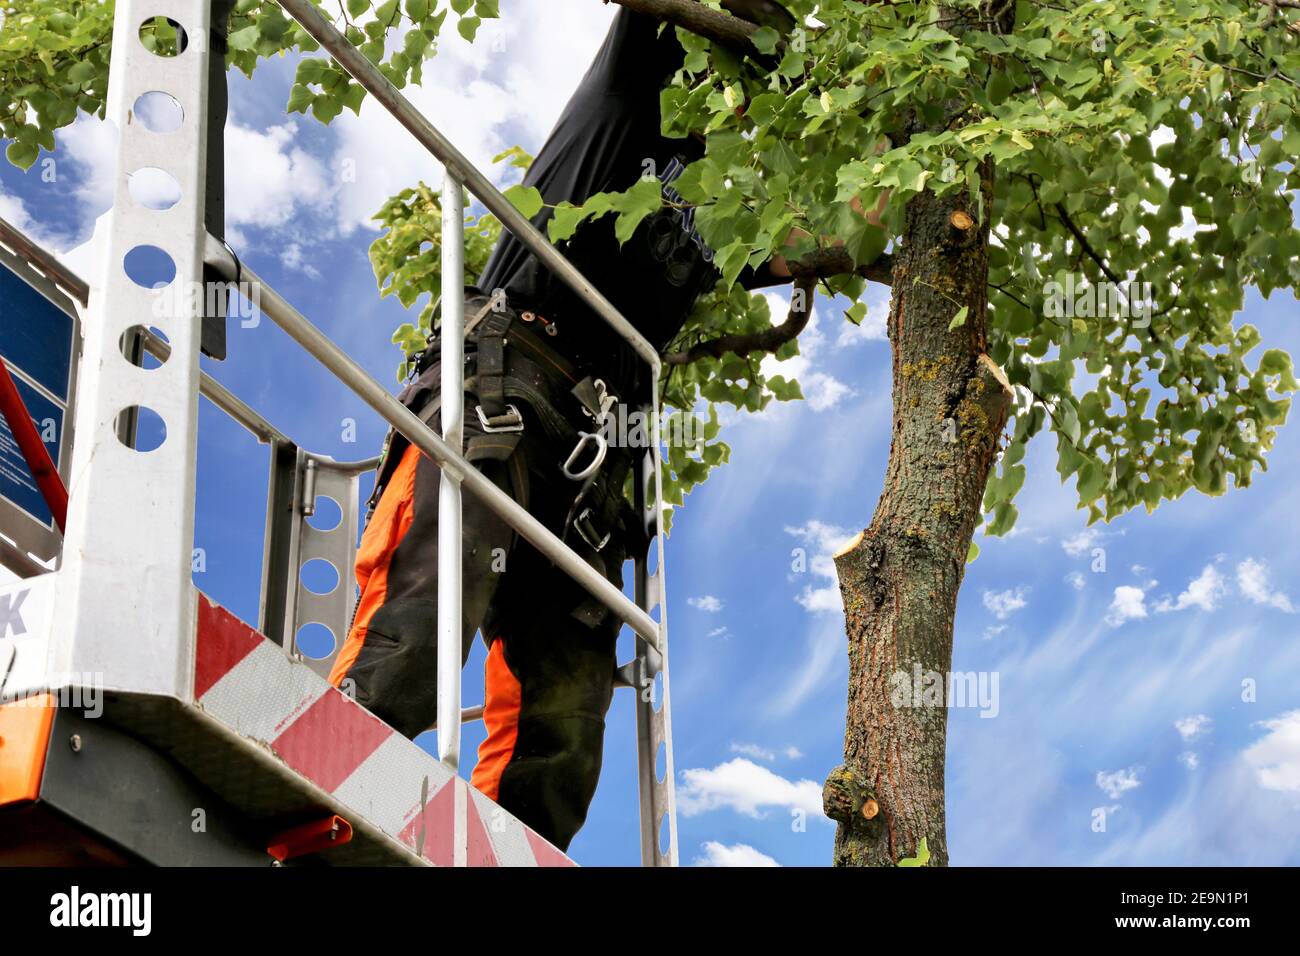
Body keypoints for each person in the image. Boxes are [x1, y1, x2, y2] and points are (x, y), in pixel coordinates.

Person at [328, 4, 797, 852]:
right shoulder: (631, 94)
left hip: (596, 473)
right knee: (426, 607)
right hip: (507, 390)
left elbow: (843, 226)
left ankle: (508, 855)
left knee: (567, 717)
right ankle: (327, 809)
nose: (740, 103)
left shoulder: (730, 212)